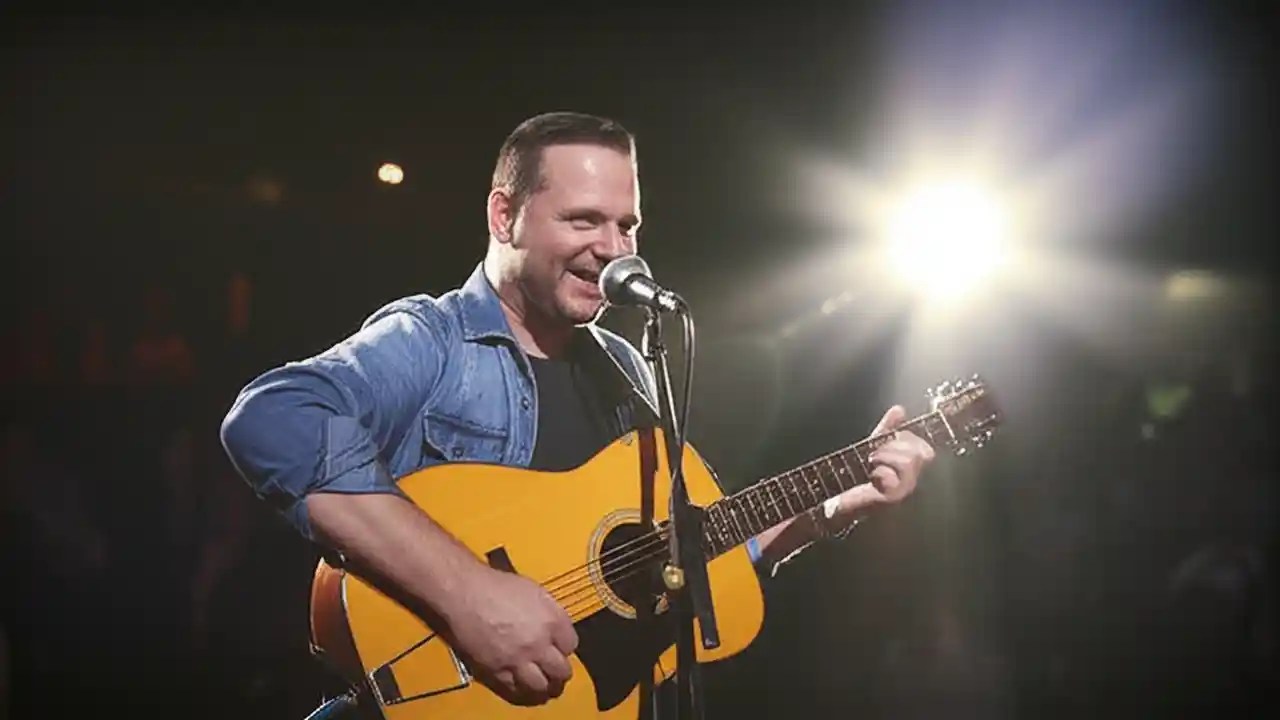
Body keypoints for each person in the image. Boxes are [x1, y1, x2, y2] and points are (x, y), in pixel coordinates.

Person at [219, 111, 936, 709]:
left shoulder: (627, 369)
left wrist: (830, 508)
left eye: (628, 226)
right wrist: (471, 596)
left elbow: (671, 558)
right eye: (584, 220)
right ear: (505, 216)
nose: (613, 250)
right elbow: (270, 419)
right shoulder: (433, 339)